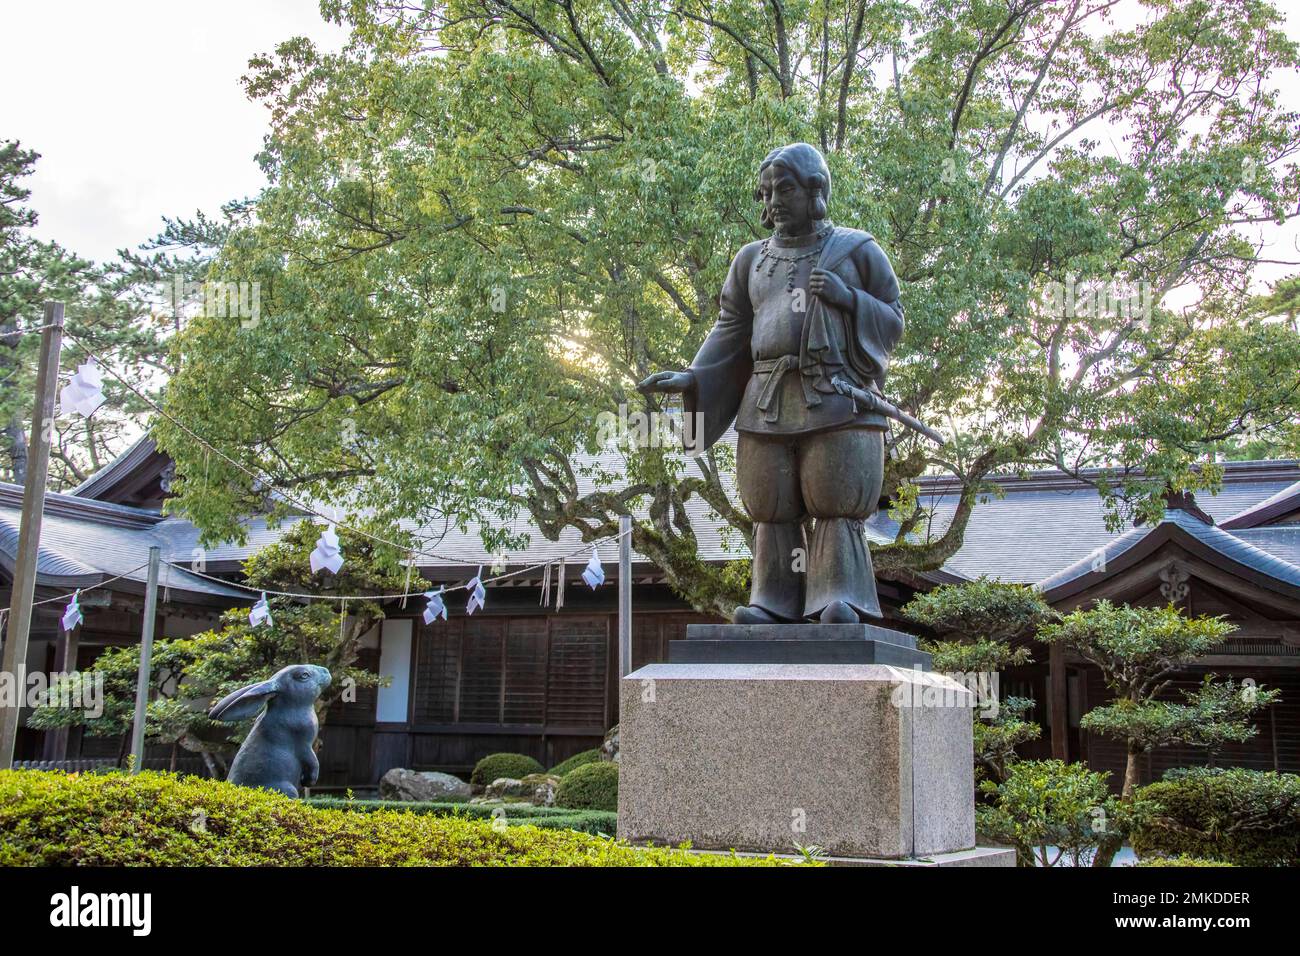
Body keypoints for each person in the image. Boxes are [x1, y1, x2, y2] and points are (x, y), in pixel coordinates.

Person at [638, 142, 904, 624]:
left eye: (783, 189)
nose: (772, 203)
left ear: (815, 190)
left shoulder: (857, 250)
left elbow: (893, 319)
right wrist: (693, 377)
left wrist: (848, 299)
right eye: (765, 194)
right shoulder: (749, 260)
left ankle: (838, 595)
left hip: (835, 395)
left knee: (834, 497)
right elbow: (731, 329)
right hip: (765, 399)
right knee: (770, 502)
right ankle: (774, 600)